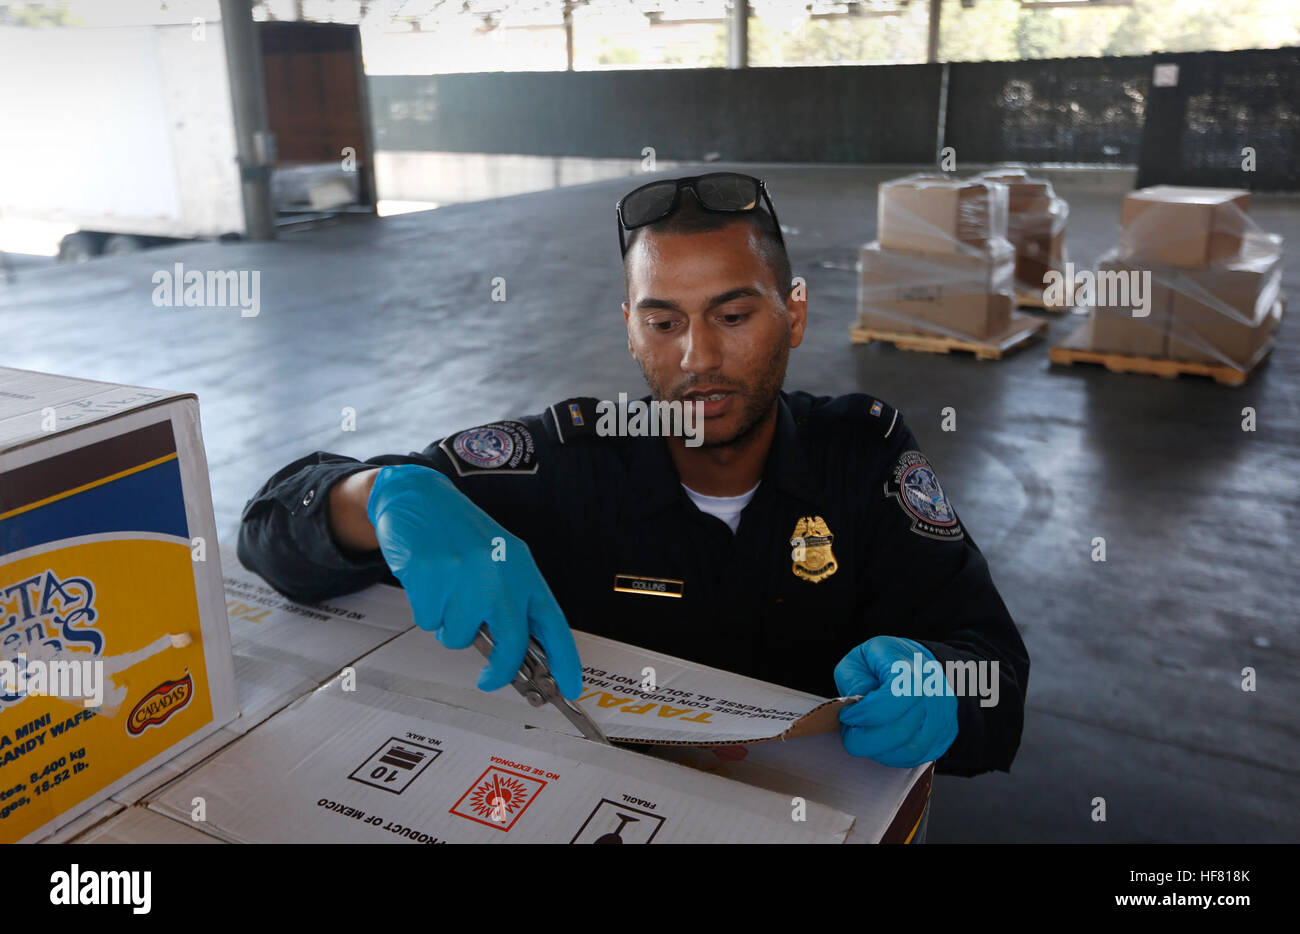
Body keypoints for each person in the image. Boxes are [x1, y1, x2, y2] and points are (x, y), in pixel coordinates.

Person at [238, 172, 1029, 777]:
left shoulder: (867, 456)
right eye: (663, 321)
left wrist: (949, 686)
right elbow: (268, 530)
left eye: (733, 314)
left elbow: (997, 670)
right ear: (629, 331)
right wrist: (380, 496)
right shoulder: (570, 458)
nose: (698, 359)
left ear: (795, 312)